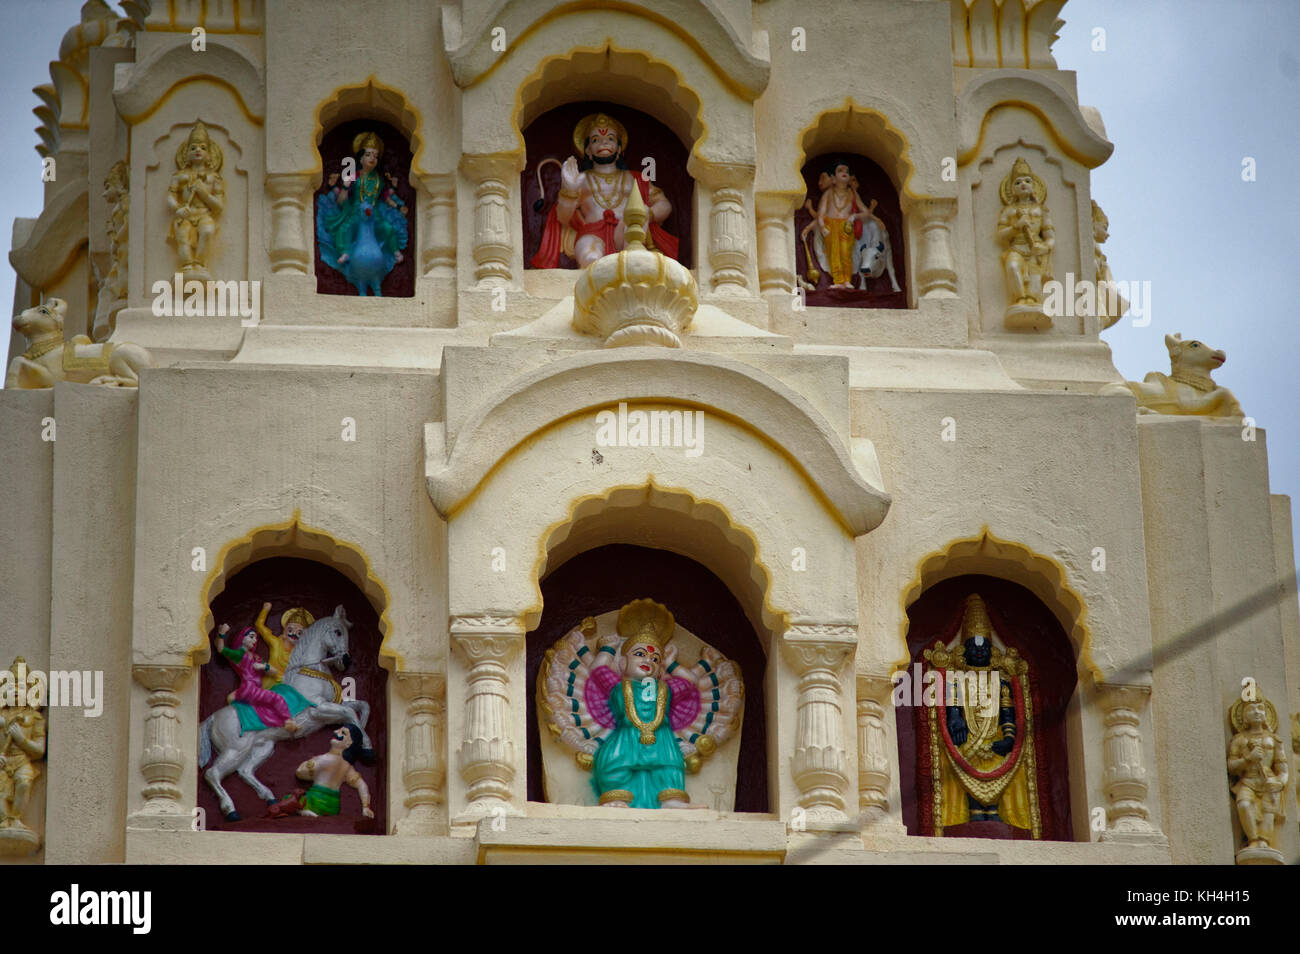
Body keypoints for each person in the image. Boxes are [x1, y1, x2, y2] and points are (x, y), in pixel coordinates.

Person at [531, 112, 677, 268]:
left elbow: (664, 205)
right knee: (591, 258)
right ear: (588, 150)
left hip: (628, 230)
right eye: (596, 140)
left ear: (619, 148)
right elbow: (564, 218)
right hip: (592, 233)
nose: (603, 143)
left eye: (610, 139)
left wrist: (648, 213)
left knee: (633, 254)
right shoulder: (580, 179)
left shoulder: (636, 178)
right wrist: (569, 190)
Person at [317, 131, 408, 295]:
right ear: (360, 158)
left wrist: (397, 207)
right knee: (344, 229)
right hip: (355, 211)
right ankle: (345, 252)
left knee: (387, 227)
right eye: (368, 154)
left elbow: (386, 197)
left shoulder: (379, 180)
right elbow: (341, 200)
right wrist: (344, 186)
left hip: (374, 214)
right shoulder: (354, 177)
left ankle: (395, 252)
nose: (372, 158)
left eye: (375, 155)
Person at [269, 725, 373, 819]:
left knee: (289, 798)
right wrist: (365, 807)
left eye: (343, 733)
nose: (336, 732)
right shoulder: (348, 767)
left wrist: (311, 763)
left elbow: (300, 773)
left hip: (316, 800)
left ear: (349, 743)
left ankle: (304, 811)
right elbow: (361, 785)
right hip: (333, 806)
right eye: (339, 730)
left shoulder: (325, 759)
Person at [214, 624, 300, 734]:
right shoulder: (240, 654)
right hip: (249, 688)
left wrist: (264, 666)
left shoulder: (256, 657)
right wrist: (221, 633)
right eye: (251, 637)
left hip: (256, 688)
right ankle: (288, 721)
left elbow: (274, 672)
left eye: (255, 638)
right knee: (277, 698)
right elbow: (221, 649)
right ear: (242, 638)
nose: (254, 640)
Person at [255, 602, 314, 690]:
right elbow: (259, 625)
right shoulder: (276, 643)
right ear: (284, 630)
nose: (294, 634)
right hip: (270, 683)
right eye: (290, 629)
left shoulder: (301, 654)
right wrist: (265, 610)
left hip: (288, 686)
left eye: (299, 633)